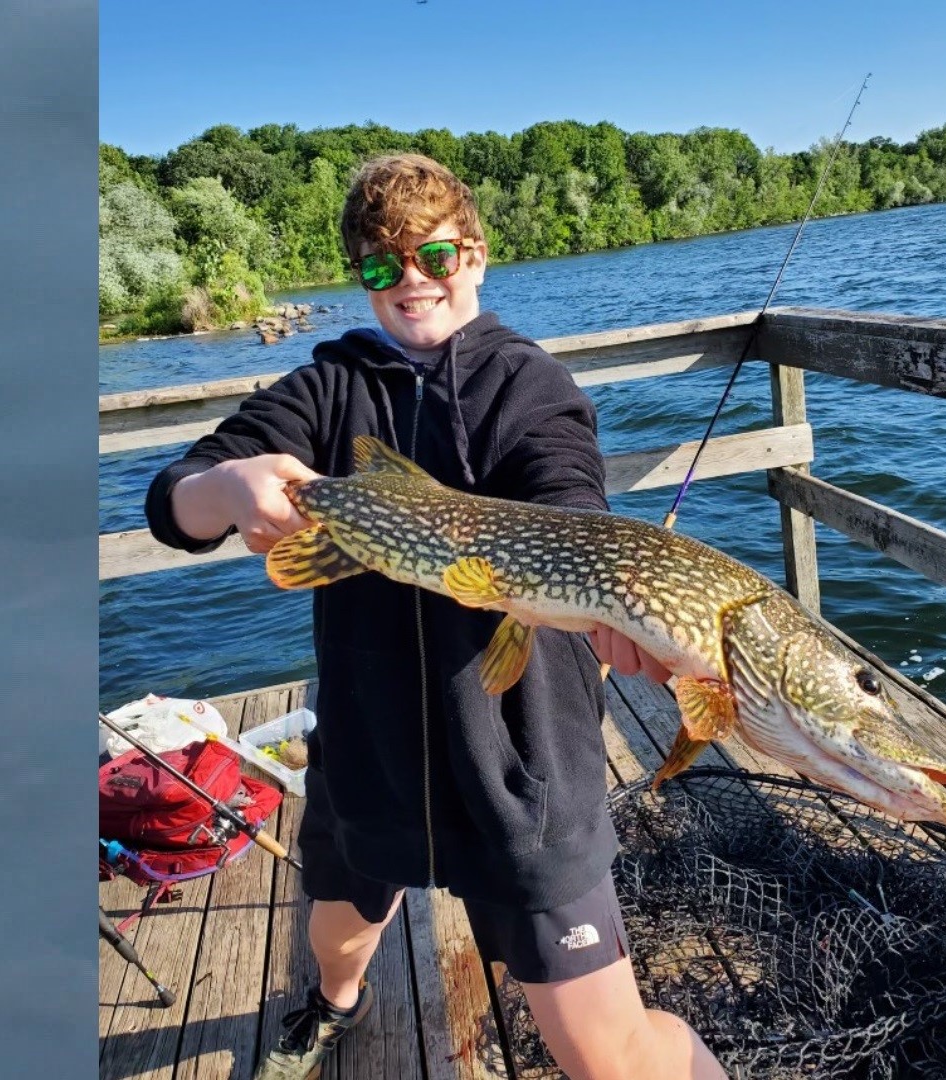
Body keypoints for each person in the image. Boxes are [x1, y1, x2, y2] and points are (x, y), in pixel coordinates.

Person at [144, 153, 726, 1080]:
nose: (412, 281)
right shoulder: (328, 388)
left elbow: (570, 499)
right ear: (362, 278)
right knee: (336, 935)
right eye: (383, 266)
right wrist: (226, 486)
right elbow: (173, 498)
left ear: (477, 256)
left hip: (519, 760)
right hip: (371, 746)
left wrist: (612, 597)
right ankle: (336, 1003)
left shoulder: (532, 386)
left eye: (435, 257)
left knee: (609, 1057)